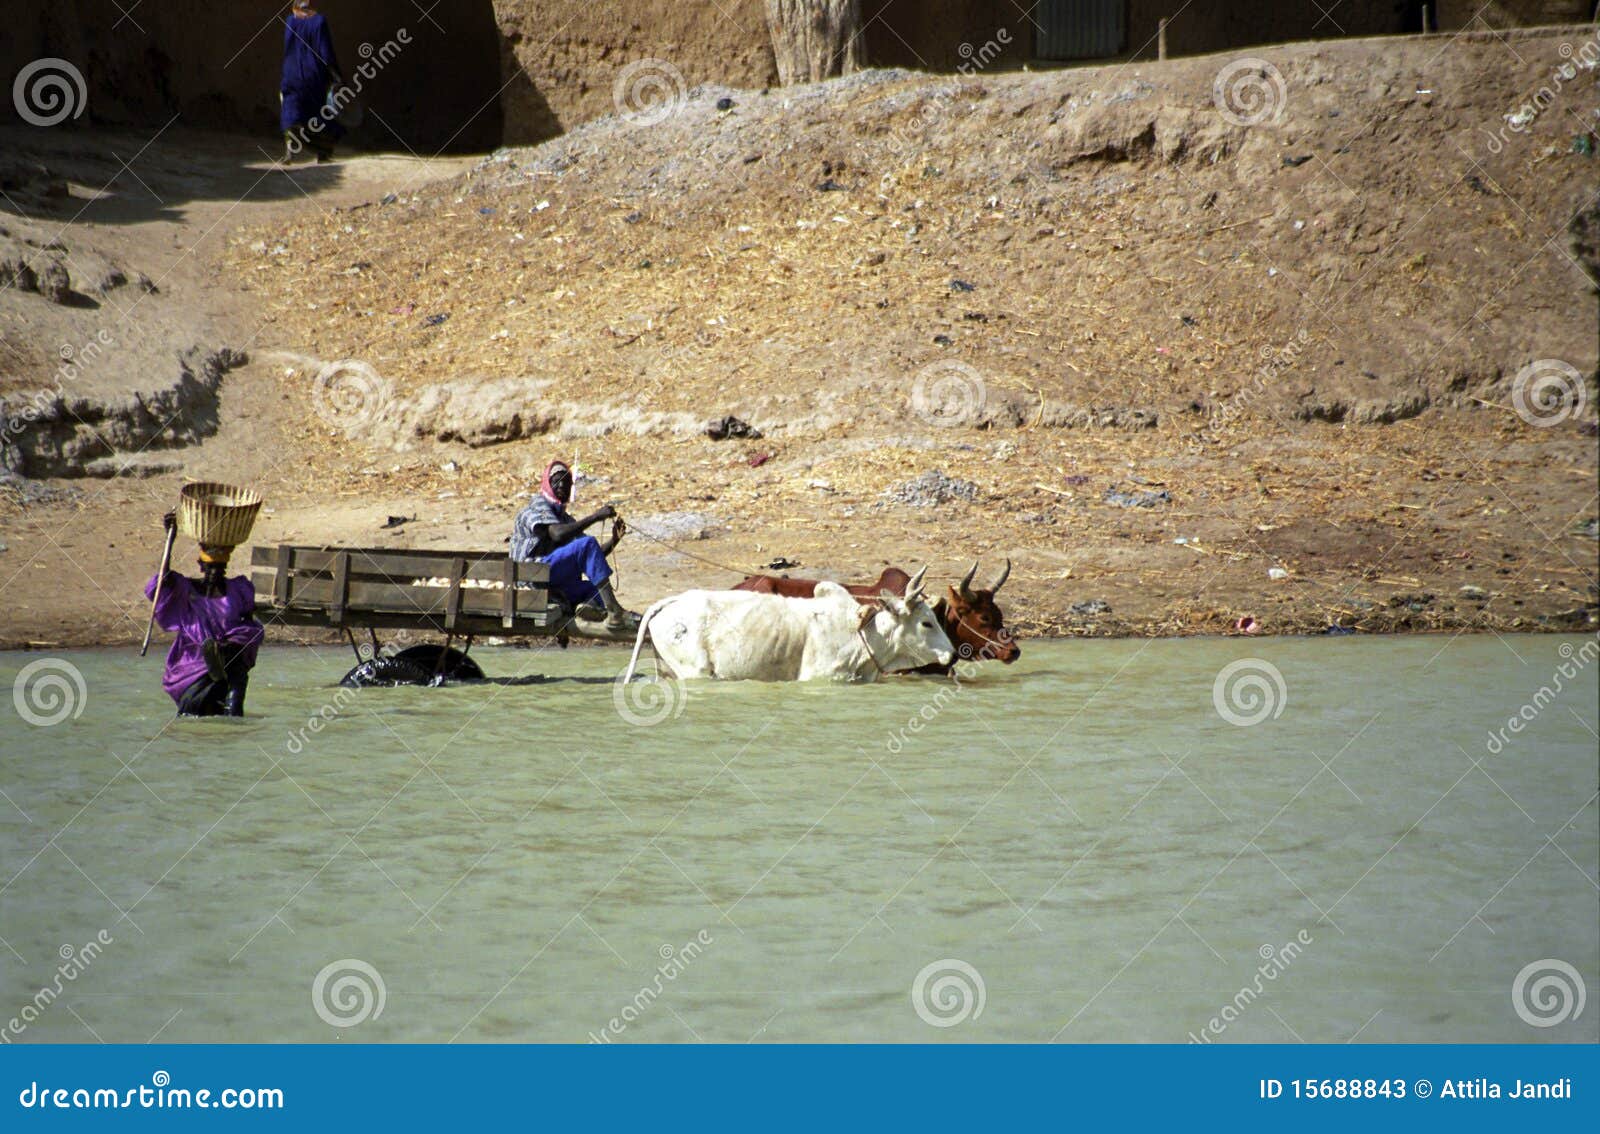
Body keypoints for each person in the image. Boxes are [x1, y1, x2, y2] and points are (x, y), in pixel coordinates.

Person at [145, 512, 264, 717]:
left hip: (230, 655)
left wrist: (235, 643)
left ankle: (224, 675)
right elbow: (160, 583)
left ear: (225, 568)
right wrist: (169, 540)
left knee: (245, 645)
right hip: (194, 660)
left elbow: (249, 623)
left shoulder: (237, 589)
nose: (214, 573)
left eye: (219, 568)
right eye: (210, 568)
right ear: (201, 566)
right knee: (195, 711)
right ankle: (212, 662)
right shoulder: (187, 589)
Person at [511, 460, 639, 629]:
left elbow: (592, 556)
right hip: (531, 580)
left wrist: (614, 540)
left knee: (592, 587)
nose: (562, 485)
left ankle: (588, 607)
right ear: (547, 484)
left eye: (566, 482)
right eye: (557, 481)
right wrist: (595, 517)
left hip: (551, 581)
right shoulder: (535, 509)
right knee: (587, 543)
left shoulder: (565, 519)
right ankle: (614, 611)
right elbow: (557, 534)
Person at [280, 0, 343, 164]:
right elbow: (325, 51)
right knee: (319, 113)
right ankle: (322, 153)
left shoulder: (290, 21)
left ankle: (289, 151)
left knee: (291, 111)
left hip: (291, 73)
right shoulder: (319, 21)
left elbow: (288, 47)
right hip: (313, 74)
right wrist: (336, 73)